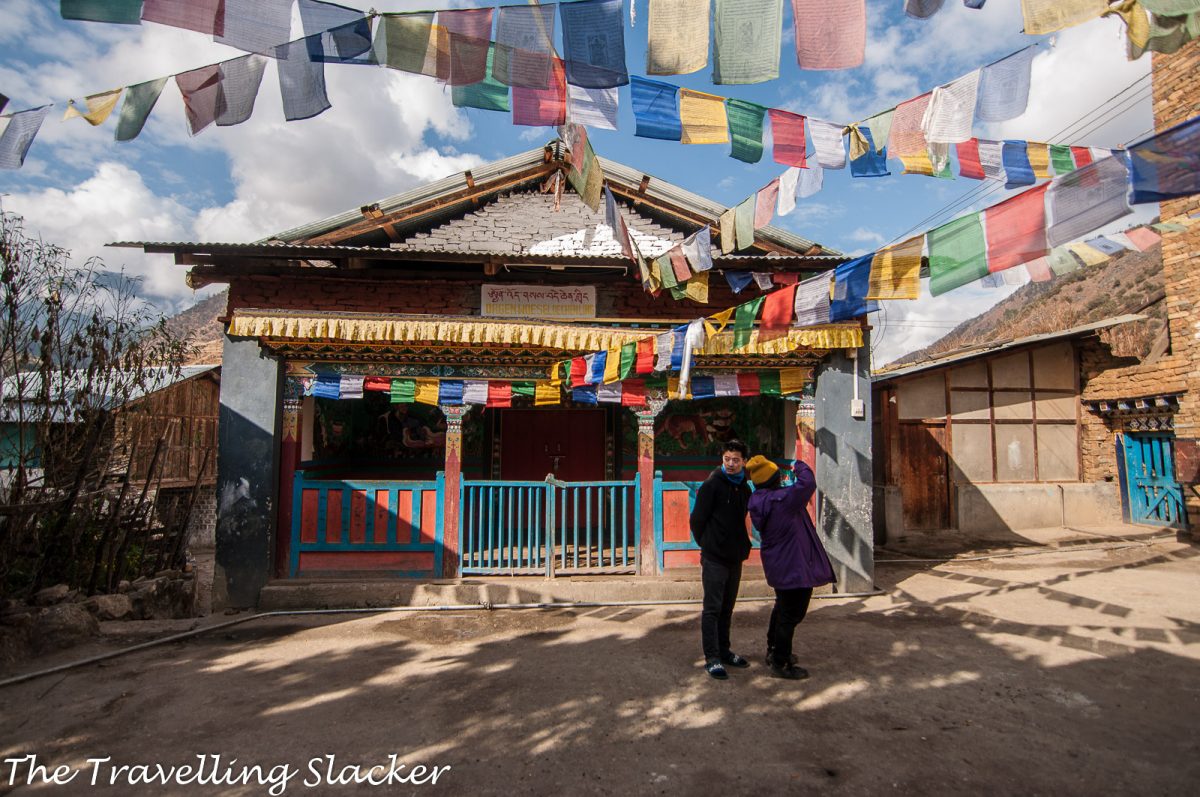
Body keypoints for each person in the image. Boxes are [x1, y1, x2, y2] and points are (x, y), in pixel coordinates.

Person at [746, 455, 836, 680]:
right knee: (791, 614)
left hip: (778, 564)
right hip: (793, 566)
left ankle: (773, 650)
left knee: (782, 608)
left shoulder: (759, 500)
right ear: (775, 479)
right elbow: (807, 482)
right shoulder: (784, 500)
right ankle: (780, 663)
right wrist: (798, 464)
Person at [689, 440, 754, 680]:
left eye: (736, 460)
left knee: (727, 608)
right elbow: (697, 520)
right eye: (727, 459)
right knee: (712, 608)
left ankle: (725, 651)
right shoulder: (712, 485)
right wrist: (707, 544)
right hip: (714, 557)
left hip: (735, 556)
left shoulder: (744, 488)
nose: (731, 464)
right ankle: (712, 658)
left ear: (744, 461)